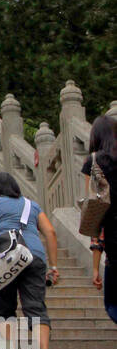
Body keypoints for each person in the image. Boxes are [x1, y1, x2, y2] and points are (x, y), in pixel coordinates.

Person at [0, 171, 59, 349]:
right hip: (33, 256)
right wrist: (53, 266)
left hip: (4, 259)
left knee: (4, 307)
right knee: (36, 306)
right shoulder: (32, 205)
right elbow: (51, 232)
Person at [82, 115, 117, 326]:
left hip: (113, 239)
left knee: (112, 305)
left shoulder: (93, 162)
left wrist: (96, 266)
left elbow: (94, 211)